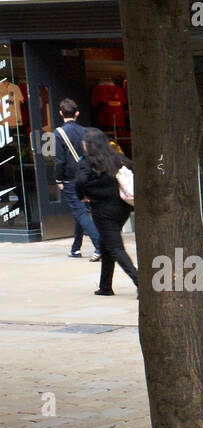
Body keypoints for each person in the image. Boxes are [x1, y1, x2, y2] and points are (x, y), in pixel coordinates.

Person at [75, 128, 137, 296]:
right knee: (106, 244)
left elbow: (79, 181)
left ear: (89, 144)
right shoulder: (116, 158)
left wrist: (83, 195)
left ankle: (140, 281)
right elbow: (132, 167)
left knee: (115, 248)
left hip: (103, 210)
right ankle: (105, 286)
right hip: (123, 207)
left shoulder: (88, 162)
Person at [52, 99, 103, 262]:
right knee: (80, 211)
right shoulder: (85, 131)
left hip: (70, 178)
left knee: (80, 212)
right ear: (77, 113)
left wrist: (58, 178)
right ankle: (75, 248)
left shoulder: (58, 133)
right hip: (87, 176)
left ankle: (99, 246)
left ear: (61, 113)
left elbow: (59, 160)